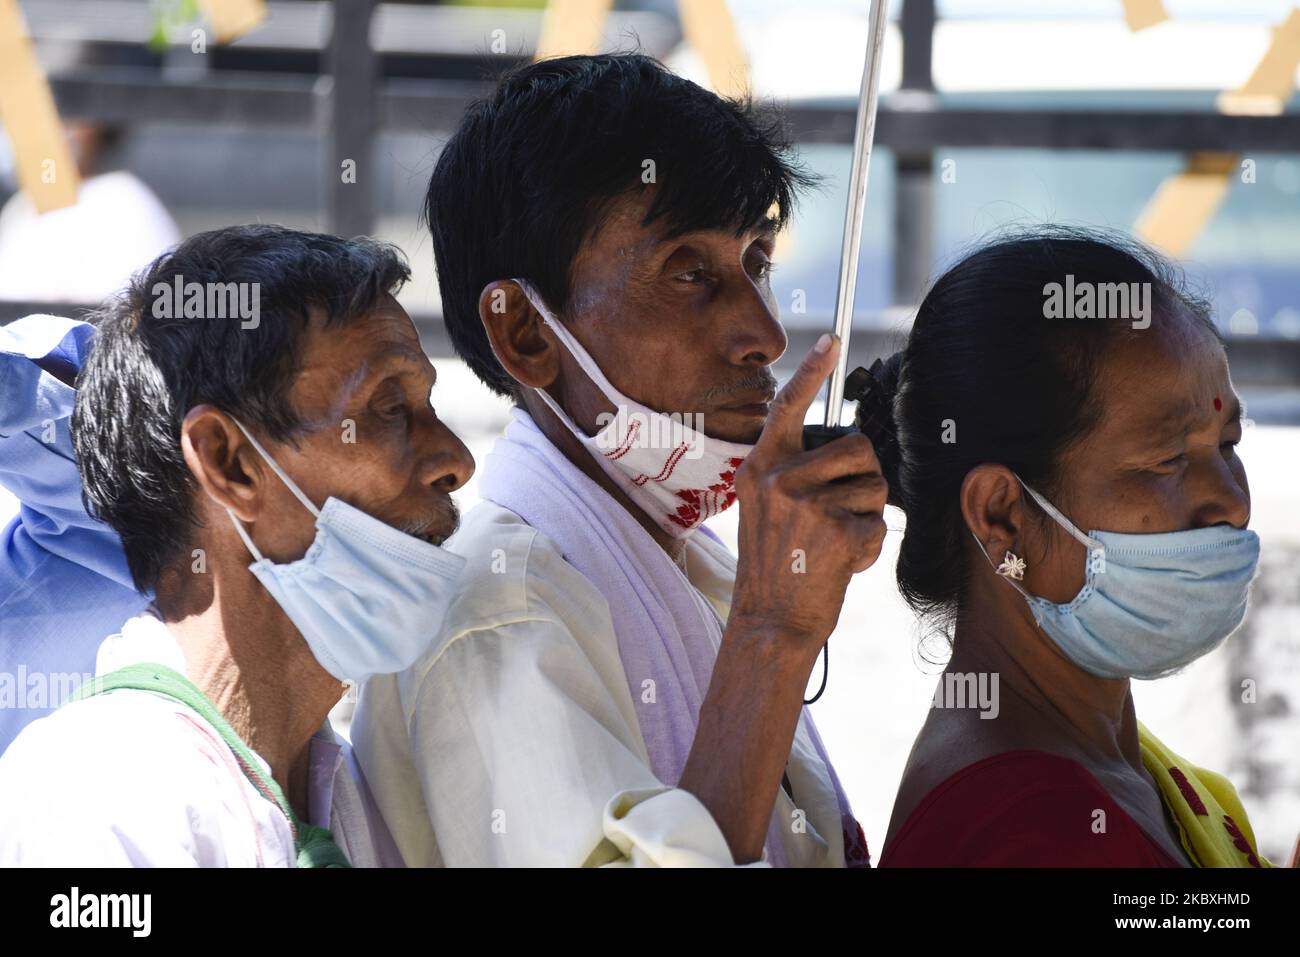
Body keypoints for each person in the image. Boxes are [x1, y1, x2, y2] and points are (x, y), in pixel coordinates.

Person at [351, 53, 886, 867]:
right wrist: (773, 631)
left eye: (758, 263)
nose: (765, 334)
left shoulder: (687, 563)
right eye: (689, 272)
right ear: (526, 332)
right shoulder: (495, 613)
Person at [0, 224, 474, 867]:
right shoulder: (101, 803)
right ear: (230, 463)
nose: (456, 459)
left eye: (427, 405)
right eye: (387, 408)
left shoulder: (345, 789)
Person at [873, 228, 1271, 868]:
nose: (1231, 502)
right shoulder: (1020, 834)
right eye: (1168, 459)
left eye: (1227, 445)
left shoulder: (1133, 772)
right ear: (1003, 516)